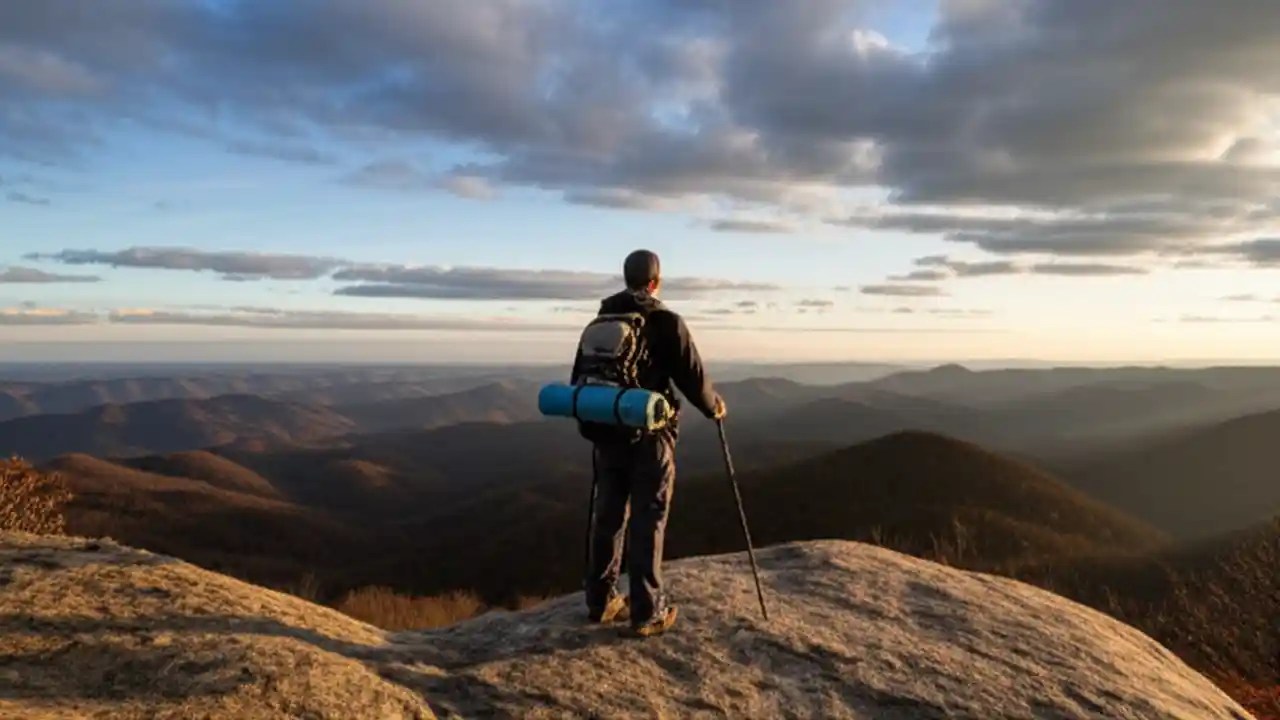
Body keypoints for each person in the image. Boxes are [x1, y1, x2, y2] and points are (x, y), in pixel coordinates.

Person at [570, 249, 726, 638]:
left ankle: (601, 599)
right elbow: (693, 378)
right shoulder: (666, 322)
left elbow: (578, 377)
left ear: (625, 278)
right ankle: (647, 610)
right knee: (648, 517)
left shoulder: (599, 323)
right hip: (650, 435)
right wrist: (714, 408)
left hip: (607, 429)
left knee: (607, 514)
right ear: (656, 282)